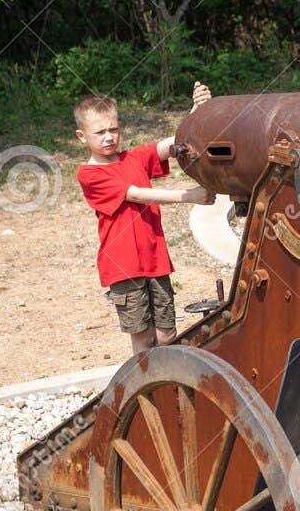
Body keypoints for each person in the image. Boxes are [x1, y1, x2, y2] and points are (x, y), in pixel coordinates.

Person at [74, 83, 214, 356]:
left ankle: (168, 389)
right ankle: (147, 390)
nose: (108, 137)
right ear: (82, 136)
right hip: (124, 267)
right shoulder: (89, 174)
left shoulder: (133, 158)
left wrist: (197, 111)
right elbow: (137, 195)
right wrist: (190, 195)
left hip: (155, 260)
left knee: (167, 335)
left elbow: (171, 144)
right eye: (99, 132)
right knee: (144, 340)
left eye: (113, 129)